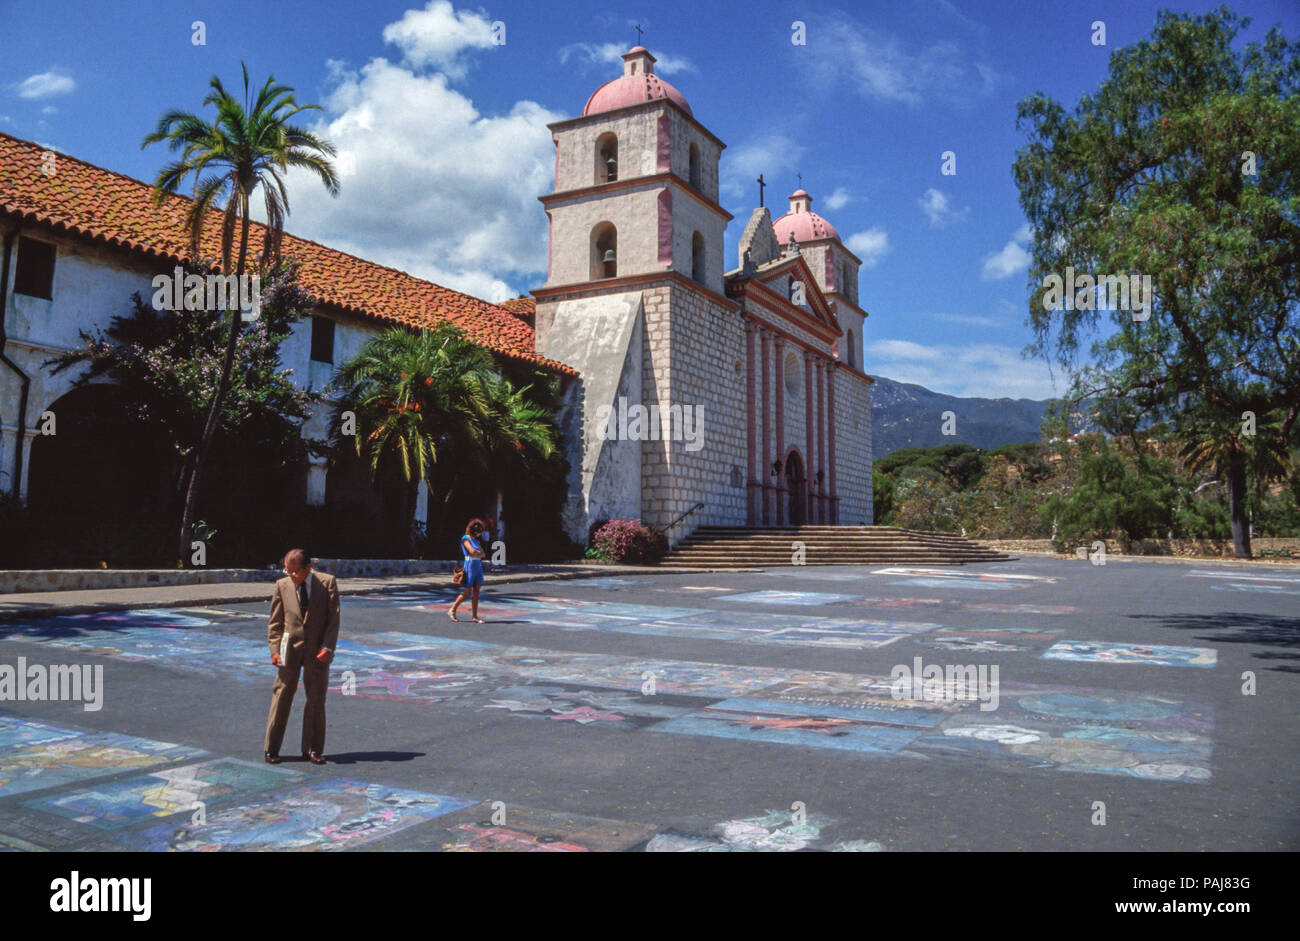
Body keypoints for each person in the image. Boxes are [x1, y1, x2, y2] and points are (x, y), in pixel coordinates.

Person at [264, 549, 340, 765]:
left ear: (308, 568)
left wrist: (328, 647)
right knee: (281, 696)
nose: (290, 575)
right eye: (287, 571)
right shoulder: (282, 585)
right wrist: (275, 650)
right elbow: (275, 622)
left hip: (317, 652)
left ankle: (313, 749)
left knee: (316, 699)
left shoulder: (327, 583)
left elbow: (333, 620)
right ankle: (271, 748)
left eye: (295, 572)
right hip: (289, 650)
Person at [449, 519, 488, 623]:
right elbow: (471, 551)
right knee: (467, 592)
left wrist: (477, 553)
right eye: (479, 531)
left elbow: (483, 554)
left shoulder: (477, 541)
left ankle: (475, 616)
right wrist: (478, 553)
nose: (480, 534)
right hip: (470, 566)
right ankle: (453, 610)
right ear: (474, 530)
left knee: (477, 591)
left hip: (478, 566)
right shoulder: (465, 538)